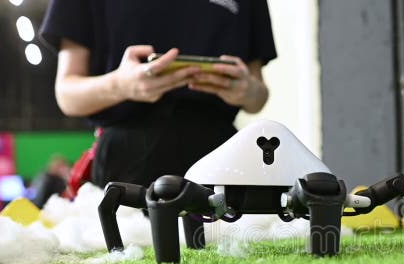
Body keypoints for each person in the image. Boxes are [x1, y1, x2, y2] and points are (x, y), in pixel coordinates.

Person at [40, 0, 277, 188]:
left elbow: (258, 96)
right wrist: (121, 85)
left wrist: (247, 90)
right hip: (126, 158)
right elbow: (67, 94)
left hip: (221, 157)